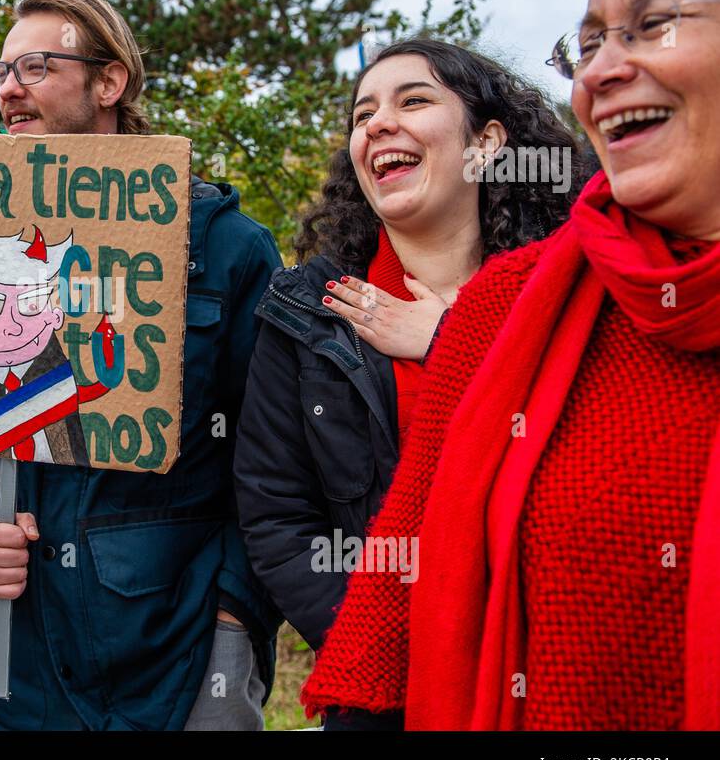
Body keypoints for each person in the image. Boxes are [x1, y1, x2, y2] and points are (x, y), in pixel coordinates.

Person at [301, 0, 720, 730]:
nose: (604, 70)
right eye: (589, 45)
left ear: (488, 142)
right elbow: (383, 585)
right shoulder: (510, 307)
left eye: (650, 27)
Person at [0, 0, 282, 730]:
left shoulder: (227, 247)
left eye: (34, 65)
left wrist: (234, 615)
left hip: (185, 647)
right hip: (26, 656)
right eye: (0, 70)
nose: (6, 88)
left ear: (109, 83)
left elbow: (273, 458)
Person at [234, 39, 582, 654]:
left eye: (414, 100)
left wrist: (452, 342)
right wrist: (374, 647)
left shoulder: (569, 286)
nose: (378, 124)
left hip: (549, 654)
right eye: (362, 115)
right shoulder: (305, 309)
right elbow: (277, 517)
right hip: (384, 680)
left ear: (487, 143)